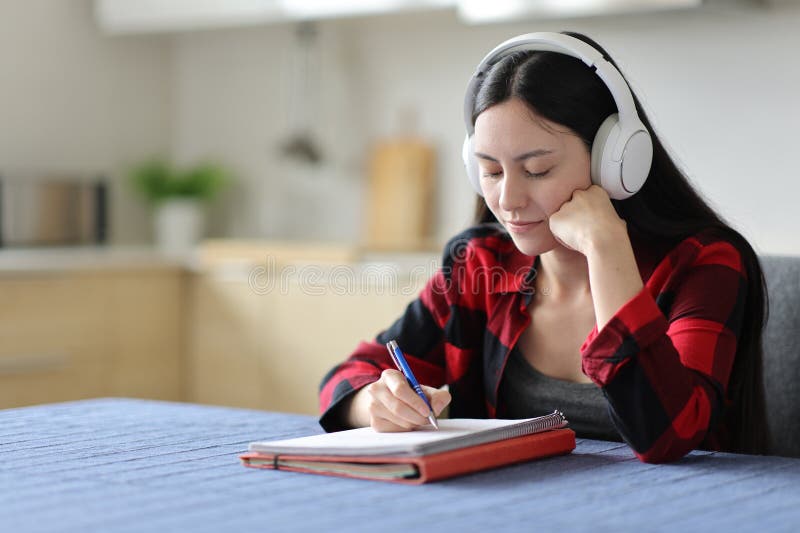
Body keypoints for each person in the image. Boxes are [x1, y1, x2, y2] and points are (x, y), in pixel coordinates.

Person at [318, 31, 768, 463]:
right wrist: (372, 403)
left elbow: (667, 435)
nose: (508, 201)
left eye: (536, 170)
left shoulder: (702, 264)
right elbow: (347, 375)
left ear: (615, 163)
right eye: (491, 172)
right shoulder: (480, 266)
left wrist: (606, 247)